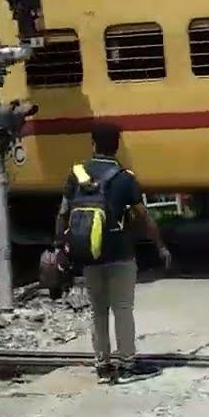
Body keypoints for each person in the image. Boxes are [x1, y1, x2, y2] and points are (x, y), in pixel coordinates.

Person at [58, 122, 171, 384]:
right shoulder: (124, 177)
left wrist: (59, 247)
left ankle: (102, 365)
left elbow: (63, 213)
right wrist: (160, 246)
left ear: (93, 143)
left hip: (89, 252)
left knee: (98, 310)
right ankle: (128, 363)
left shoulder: (77, 174)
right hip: (120, 253)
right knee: (122, 308)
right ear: (117, 145)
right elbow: (143, 217)